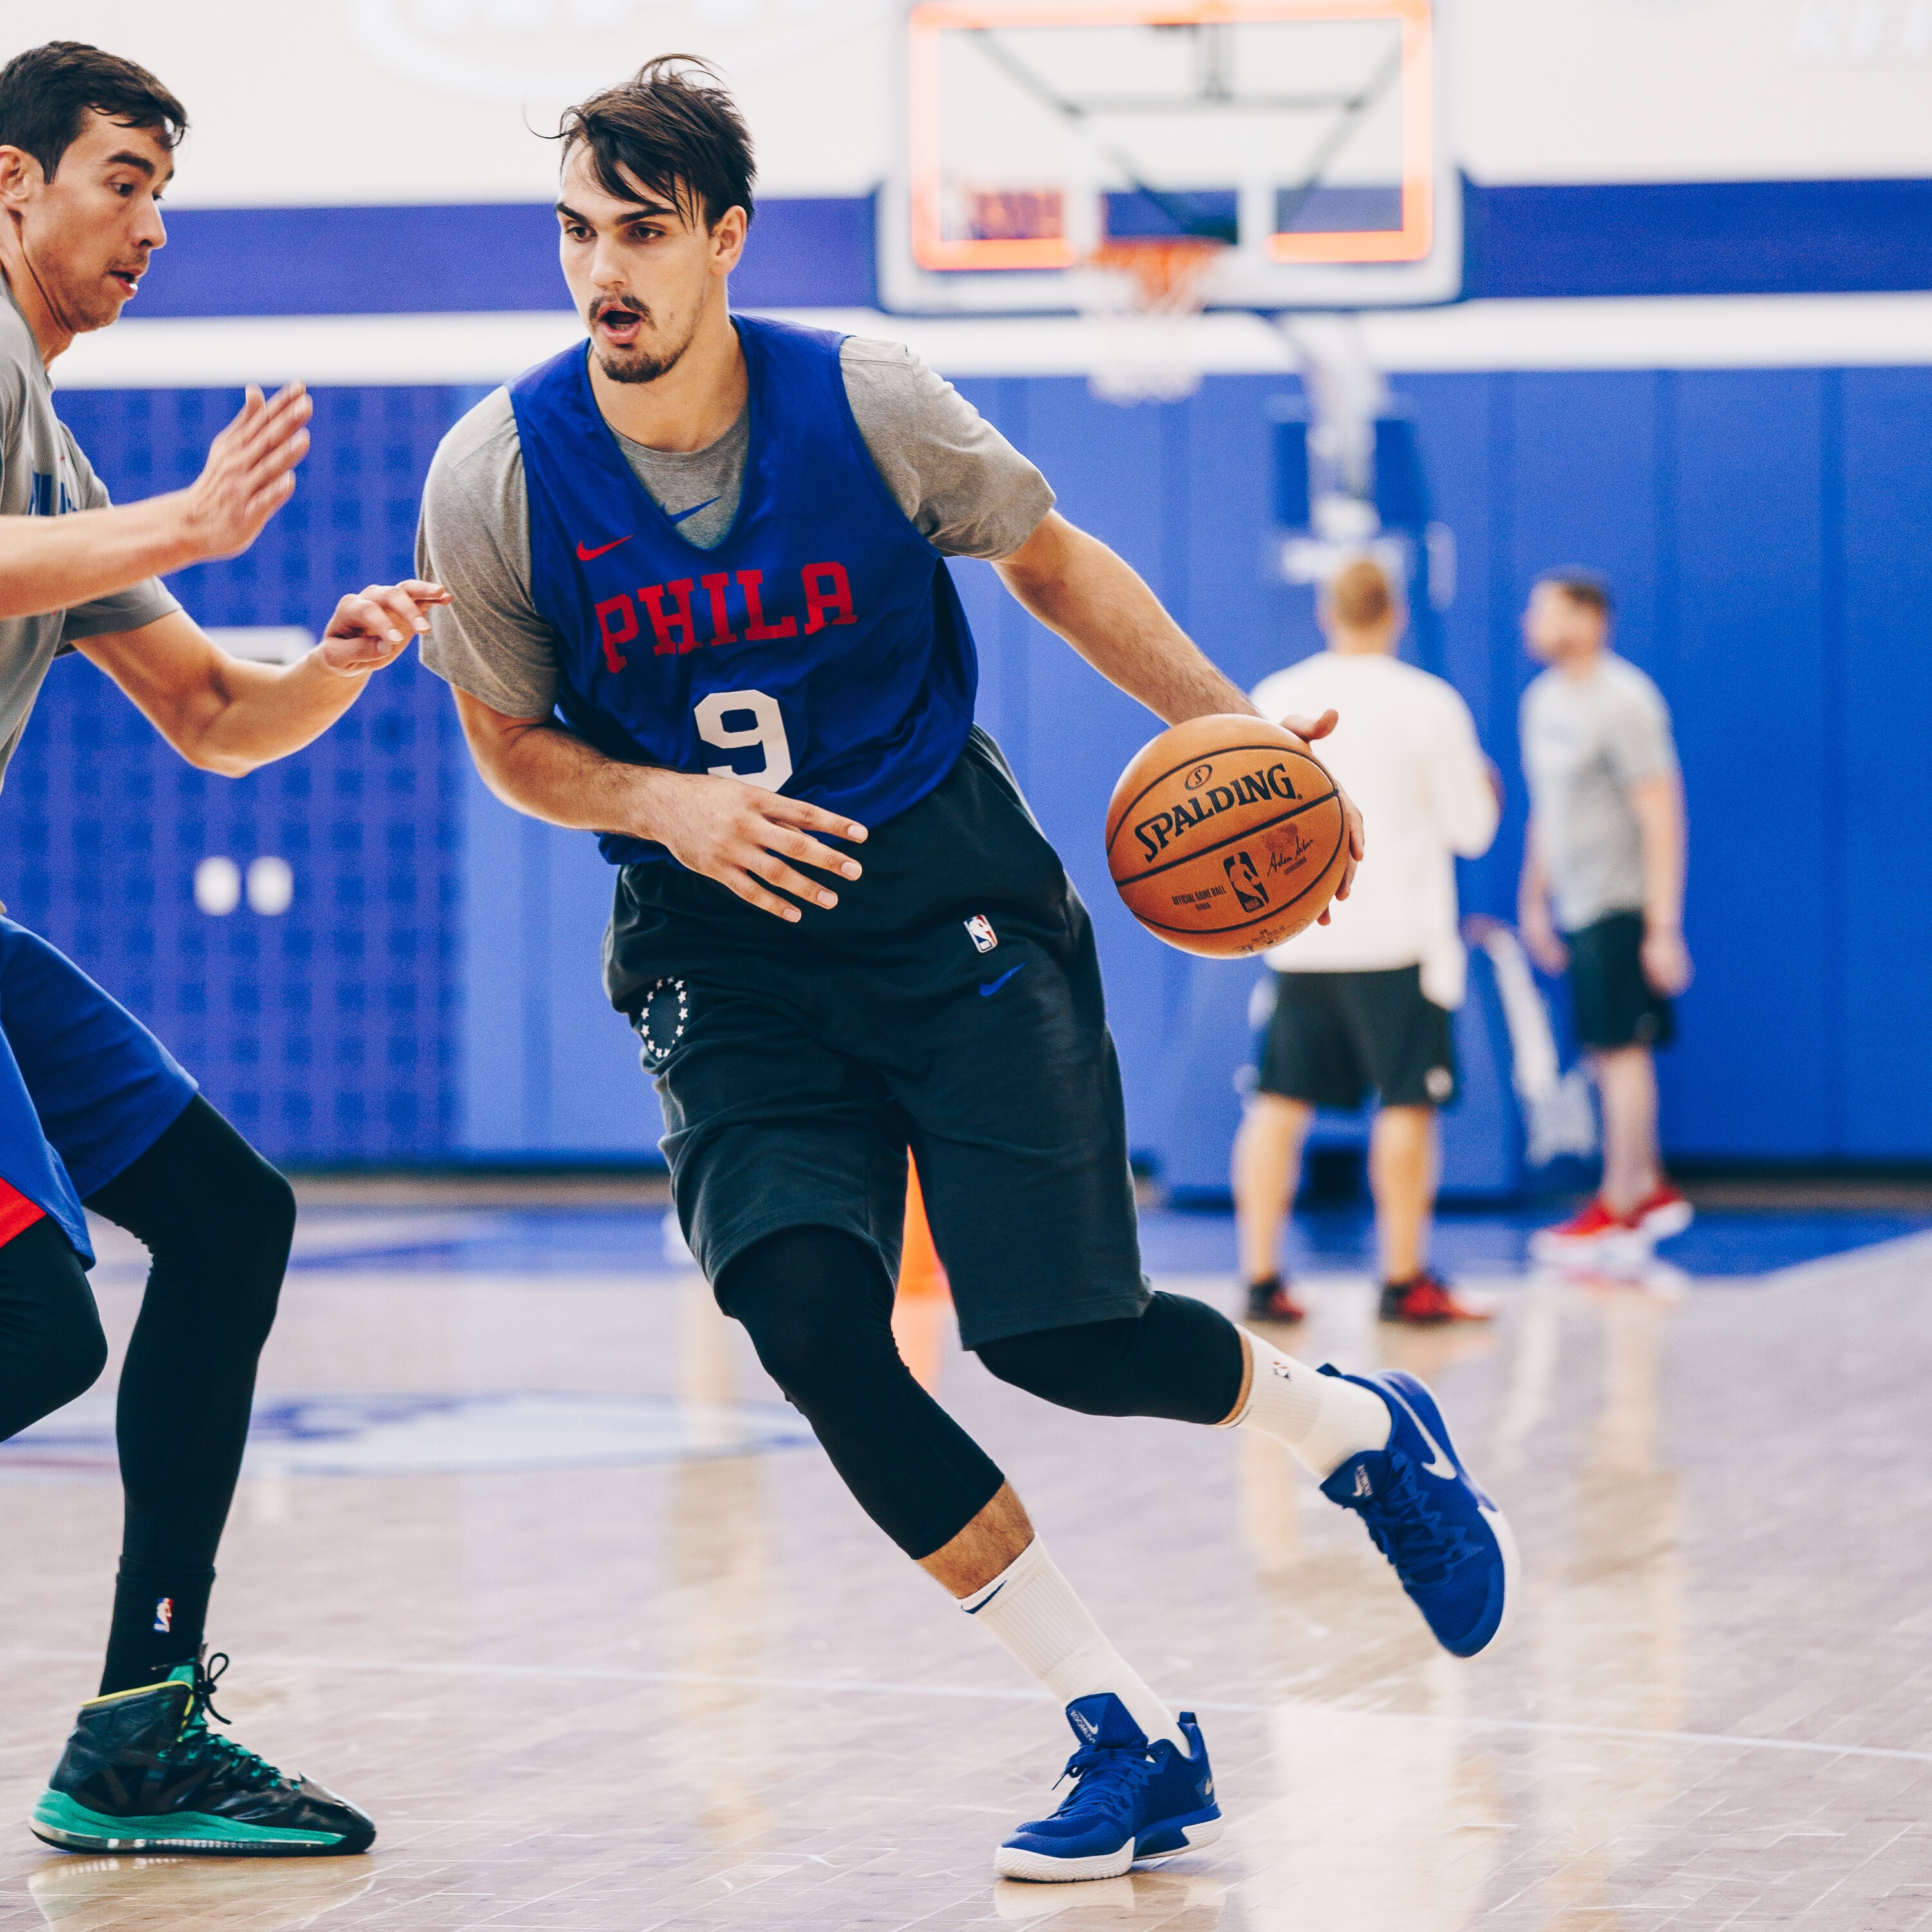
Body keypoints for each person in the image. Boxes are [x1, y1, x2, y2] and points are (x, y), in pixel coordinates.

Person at [417, 57, 1517, 1884]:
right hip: (723, 951)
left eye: (641, 233)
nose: (603, 273)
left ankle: (1360, 1432)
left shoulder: (865, 395)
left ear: (722, 240)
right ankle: (1124, 1727)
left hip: (949, 910)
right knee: (811, 1320)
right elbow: (516, 749)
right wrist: (667, 810)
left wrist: (1244, 736)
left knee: (1060, 1342)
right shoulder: (497, 474)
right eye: (578, 235)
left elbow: (1054, 567)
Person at [0, 41, 444, 1855]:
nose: (154, 223)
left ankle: (143, 1726)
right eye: (123, 179)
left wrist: (329, 666)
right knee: (30, 1332)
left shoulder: (51, 433)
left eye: (165, 189)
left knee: (228, 1215)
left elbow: (204, 715)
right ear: (10, 184)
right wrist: (186, 517)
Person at [1236, 556, 1500, 1325]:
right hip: (1399, 940)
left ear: (1326, 612)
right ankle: (1402, 1279)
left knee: (1279, 1104)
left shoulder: (1276, 695)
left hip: (1301, 937)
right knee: (1407, 1105)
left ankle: (1259, 1279)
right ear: (1396, 613)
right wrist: (1481, 786)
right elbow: (1472, 831)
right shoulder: (1429, 704)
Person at [1517, 571, 1692, 1258]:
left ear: (1588, 619)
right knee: (1603, 1050)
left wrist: (1663, 926)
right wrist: (1535, 902)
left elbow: (1661, 813)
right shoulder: (1542, 702)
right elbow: (1547, 813)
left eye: (1547, 608)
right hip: (1577, 902)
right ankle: (1645, 1184)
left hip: (1623, 902)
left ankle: (1624, 1199)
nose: (1533, 620)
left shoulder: (1626, 702)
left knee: (1623, 1052)